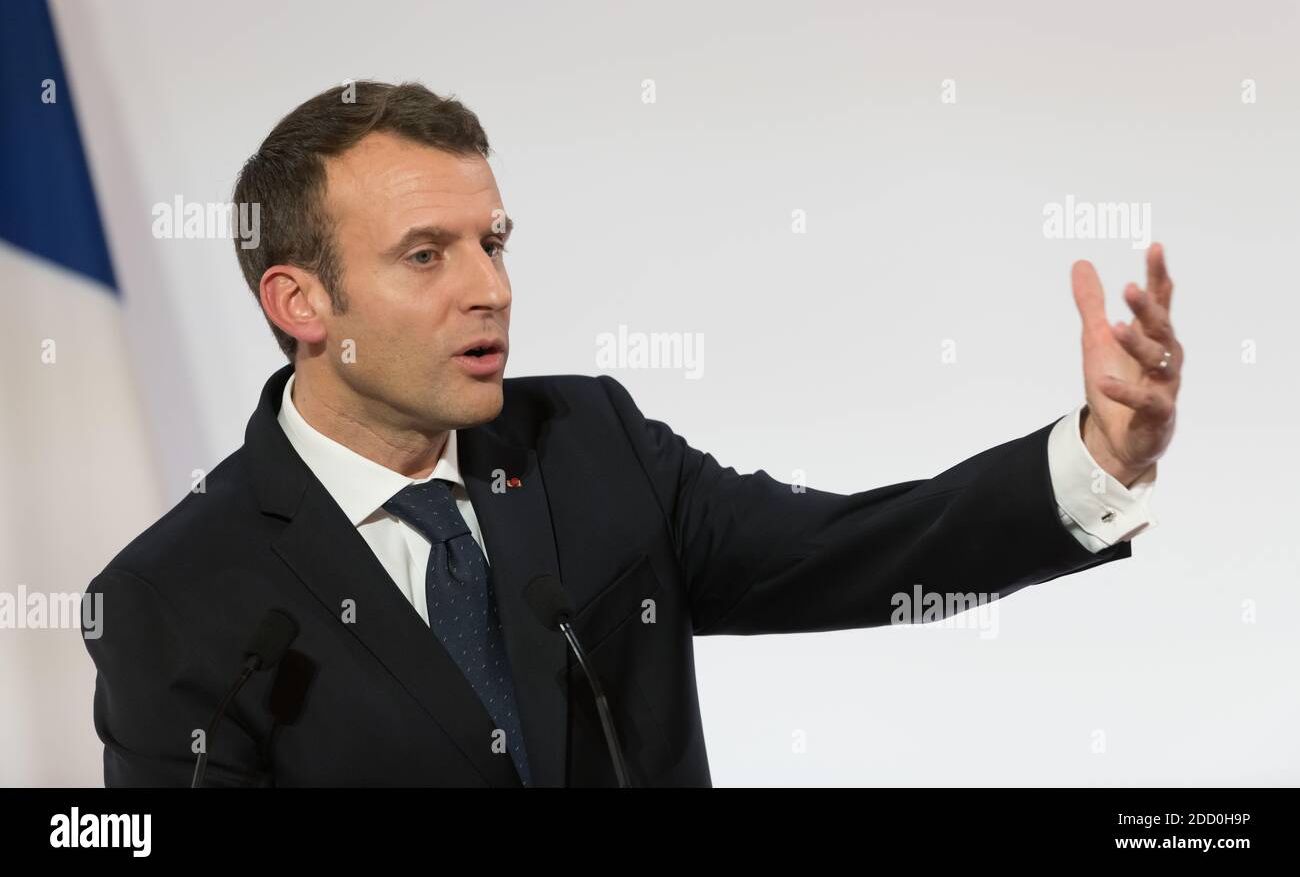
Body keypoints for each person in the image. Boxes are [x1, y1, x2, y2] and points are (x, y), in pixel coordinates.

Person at [81, 81, 1182, 786]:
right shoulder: (178, 594)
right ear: (300, 303)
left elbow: (846, 551)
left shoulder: (585, 441)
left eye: (493, 241)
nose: (490, 288)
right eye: (428, 254)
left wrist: (1098, 454)